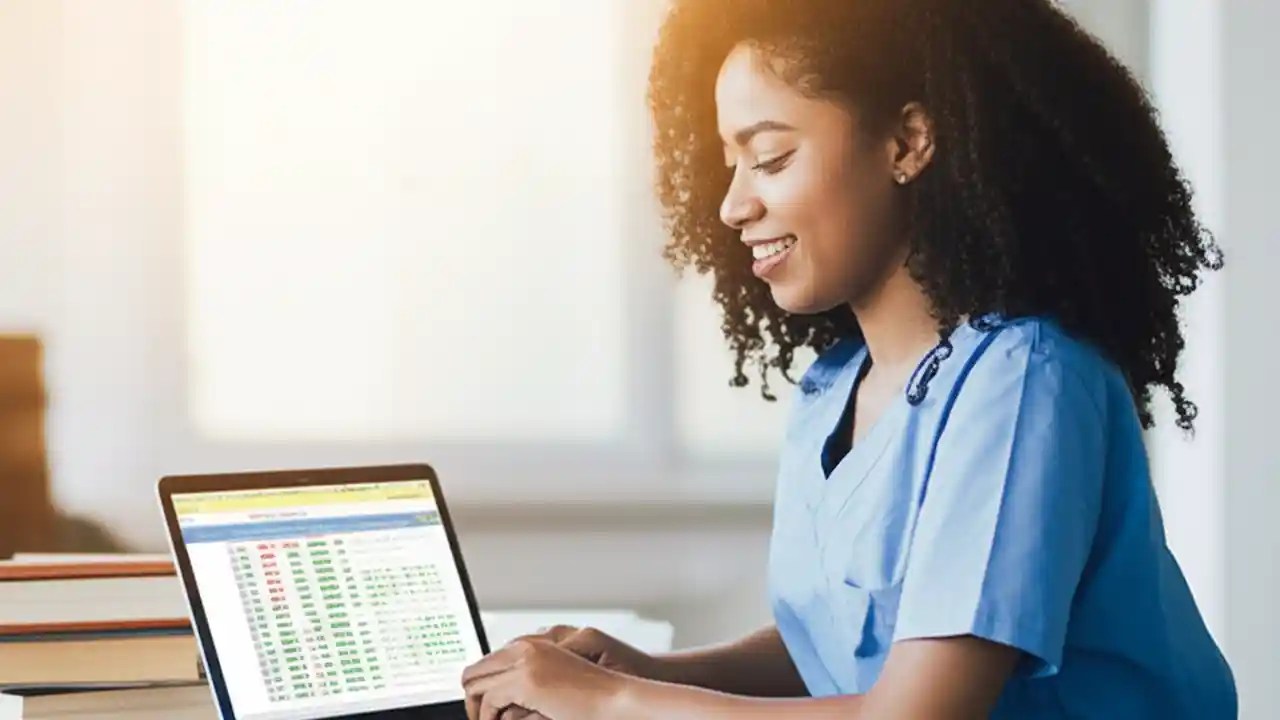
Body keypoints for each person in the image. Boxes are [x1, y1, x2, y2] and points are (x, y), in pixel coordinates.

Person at [462, 0, 1236, 717]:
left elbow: (917, 709)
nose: (733, 204)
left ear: (907, 143)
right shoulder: (836, 387)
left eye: (768, 158)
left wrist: (607, 704)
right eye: (728, 163)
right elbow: (847, 648)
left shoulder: (1026, 379)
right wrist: (645, 670)